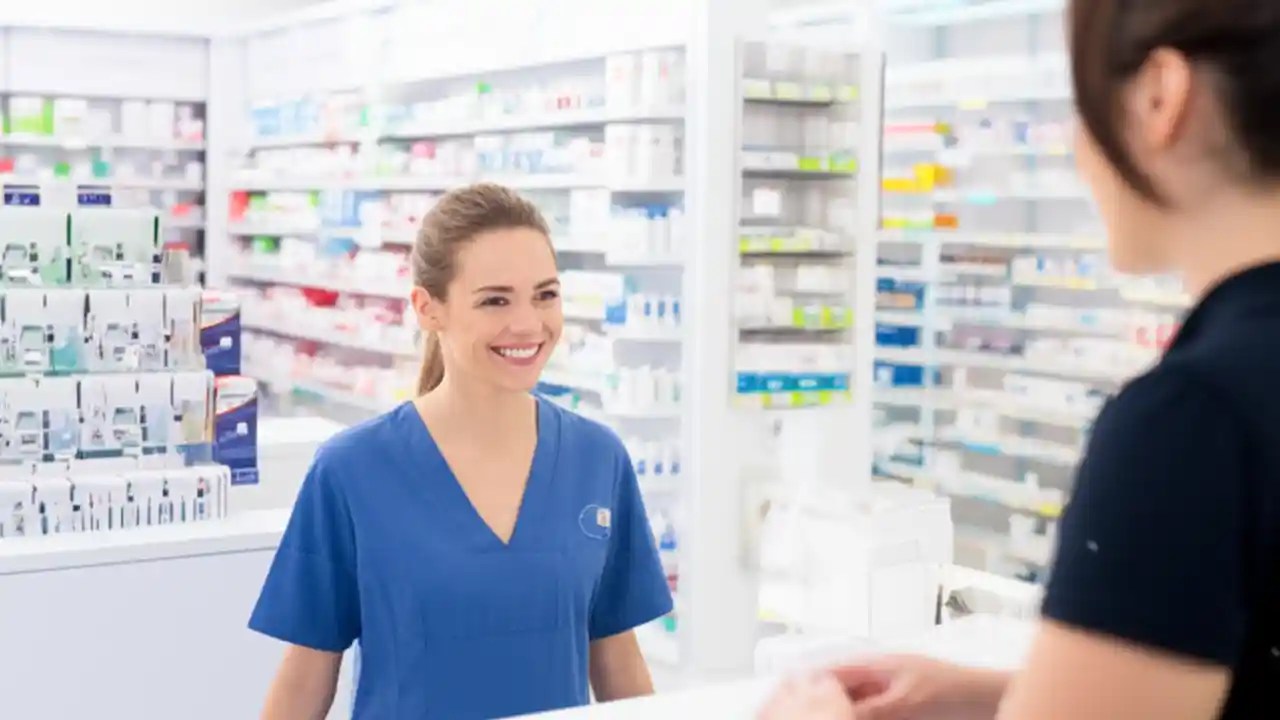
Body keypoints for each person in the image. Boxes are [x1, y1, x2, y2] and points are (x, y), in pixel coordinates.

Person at [762, 0, 1280, 718]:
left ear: (1162, 95)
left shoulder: (1196, 422)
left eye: (1082, 102)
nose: (1076, 143)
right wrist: (1005, 694)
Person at [248, 183, 673, 719]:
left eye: (545, 294)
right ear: (428, 308)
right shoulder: (352, 471)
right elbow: (306, 679)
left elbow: (616, 657)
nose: (527, 323)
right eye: (495, 299)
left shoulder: (597, 460)